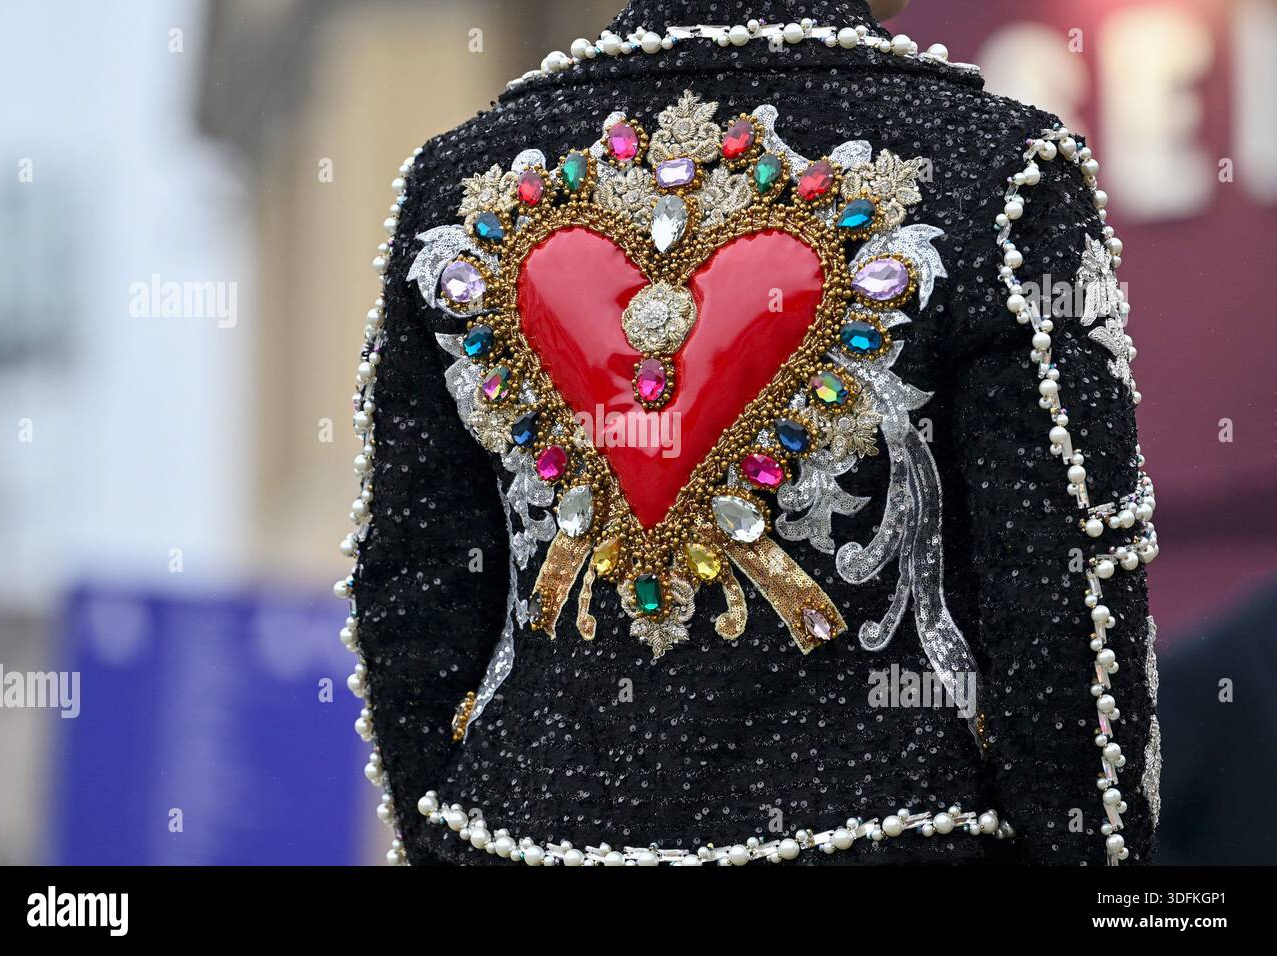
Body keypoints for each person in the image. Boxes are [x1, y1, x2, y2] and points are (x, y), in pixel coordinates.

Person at [341, 0, 1160, 865]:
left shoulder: (465, 184)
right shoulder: (994, 173)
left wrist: (454, 840)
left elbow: (410, 591)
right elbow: (1066, 597)